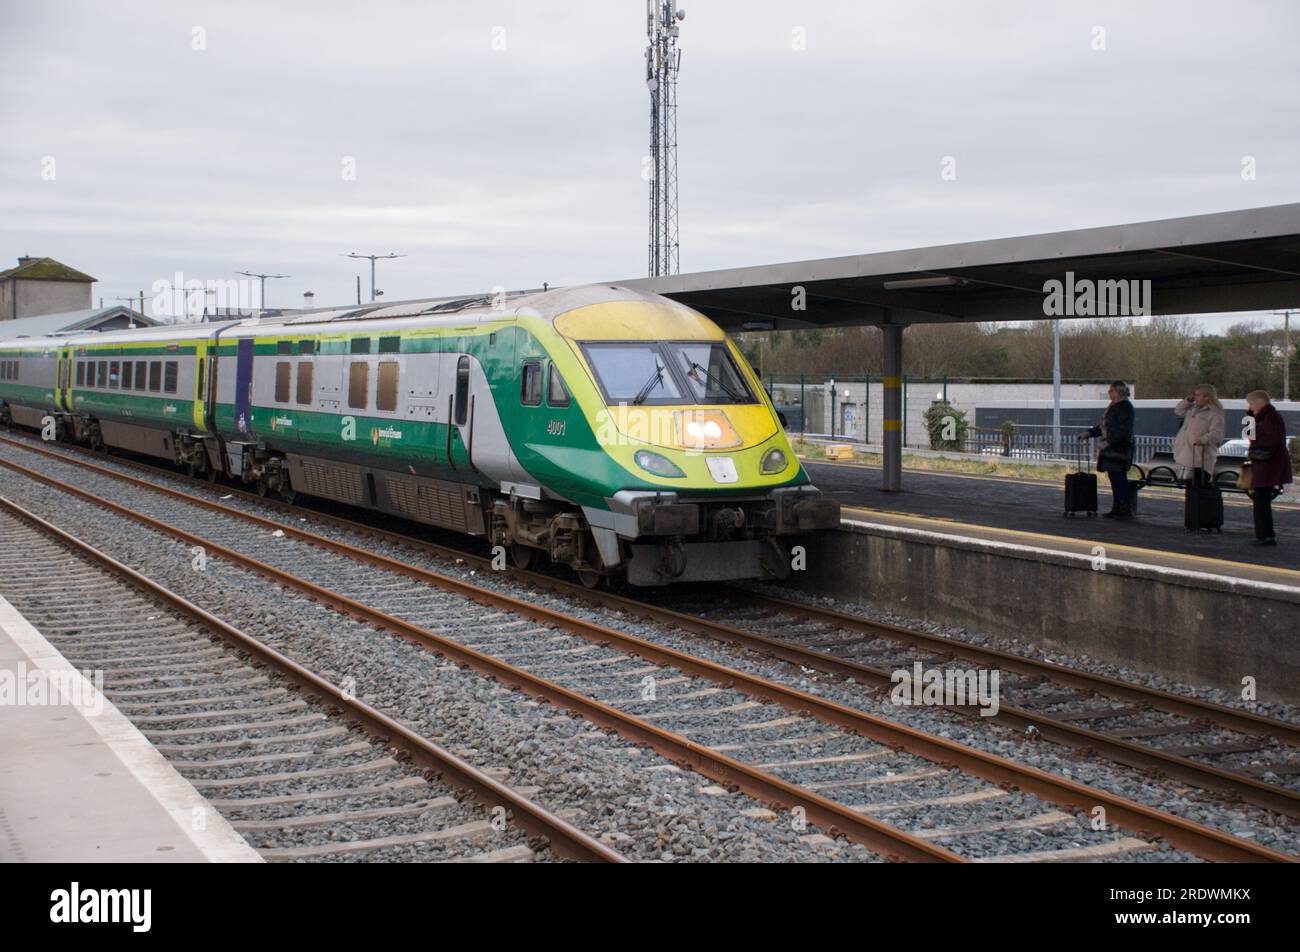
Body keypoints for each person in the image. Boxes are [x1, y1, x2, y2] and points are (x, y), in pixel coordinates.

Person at [1080, 381, 1136, 519]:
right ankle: (1117, 507)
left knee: (1119, 478)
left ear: (1118, 392)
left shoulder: (1124, 408)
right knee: (1114, 477)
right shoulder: (1114, 406)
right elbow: (1104, 426)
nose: (1109, 393)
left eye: (1111, 391)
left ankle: (1123, 508)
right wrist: (1089, 433)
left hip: (1119, 449)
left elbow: (1123, 431)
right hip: (1113, 449)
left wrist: (1108, 442)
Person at [1245, 390, 1292, 547]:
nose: (1250, 407)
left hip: (1268, 464)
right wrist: (1250, 418)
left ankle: (1266, 535)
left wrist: (1255, 449)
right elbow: (1248, 436)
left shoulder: (1270, 418)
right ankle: (1263, 534)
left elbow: (1269, 440)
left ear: (1259, 403)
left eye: (1251, 404)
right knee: (1260, 499)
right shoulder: (1261, 417)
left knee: (1261, 499)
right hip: (1264, 464)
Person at [1173, 384, 1225, 486]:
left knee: (1199, 485)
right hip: (1187, 454)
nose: (1194, 397)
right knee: (1189, 485)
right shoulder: (1193, 409)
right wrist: (1188, 400)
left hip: (1201, 456)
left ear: (1206, 397)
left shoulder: (1215, 413)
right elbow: (1178, 410)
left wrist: (1203, 439)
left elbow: (1217, 433)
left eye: (1197, 395)